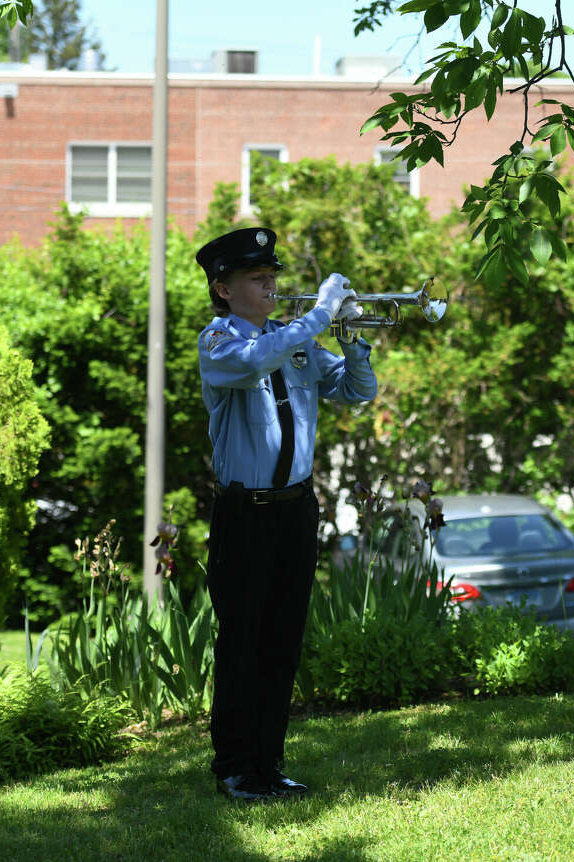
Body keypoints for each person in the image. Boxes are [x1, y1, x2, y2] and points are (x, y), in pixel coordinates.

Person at [195, 226, 377, 799]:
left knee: (281, 642)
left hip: (295, 512)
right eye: (257, 278)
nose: (271, 285)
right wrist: (320, 316)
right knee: (242, 642)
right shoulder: (219, 342)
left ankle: (269, 765)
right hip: (244, 515)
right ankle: (234, 768)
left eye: (272, 275)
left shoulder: (292, 338)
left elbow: (354, 391)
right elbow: (255, 362)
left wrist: (353, 339)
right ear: (223, 290)